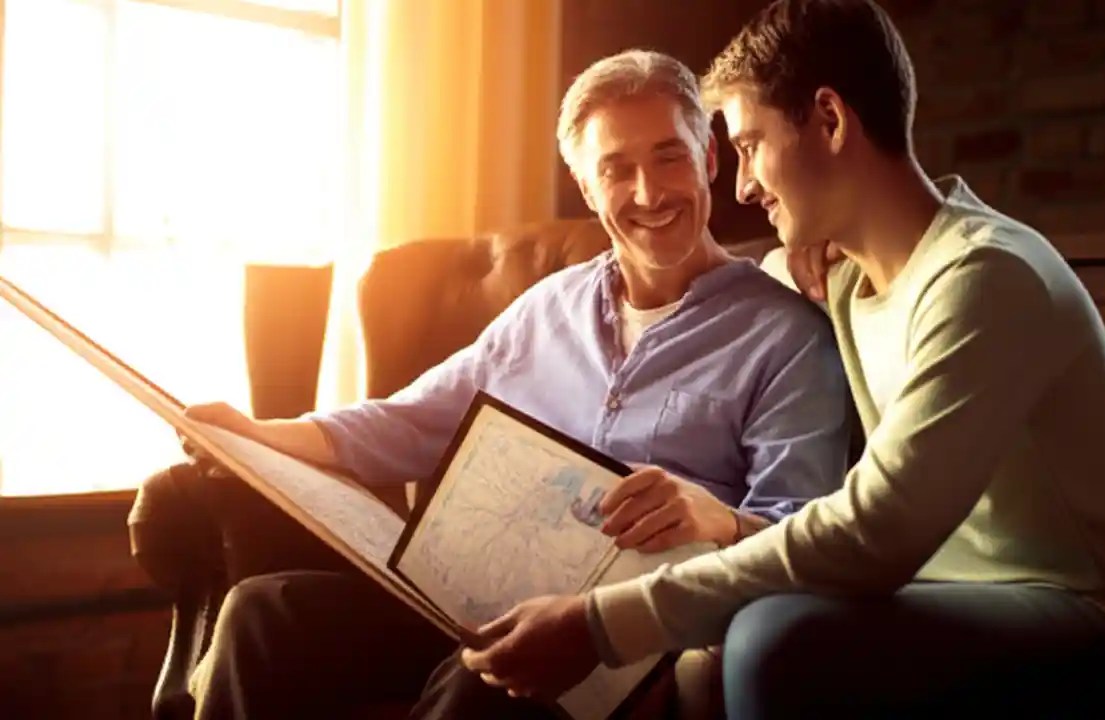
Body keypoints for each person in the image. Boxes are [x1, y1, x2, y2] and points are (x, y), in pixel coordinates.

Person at [459, 2, 1105, 717]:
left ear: (828, 119)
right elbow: (745, 289)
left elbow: (873, 533)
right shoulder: (843, 270)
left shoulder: (988, 277)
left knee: (773, 639)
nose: (745, 184)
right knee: (742, 636)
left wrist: (600, 623)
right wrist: (801, 248)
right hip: (947, 596)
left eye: (750, 145)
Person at [127, 48, 852, 720]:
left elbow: (807, 535)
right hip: (469, 597)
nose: (648, 191)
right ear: (584, 184)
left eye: (669, 157)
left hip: (624, 639)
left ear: (709, 157)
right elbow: (409, 421)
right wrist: (256, 436)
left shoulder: (786, 334)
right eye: (616, 168)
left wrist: (713, 516)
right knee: (263, 611)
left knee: (485, 676)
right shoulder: (546, 308)